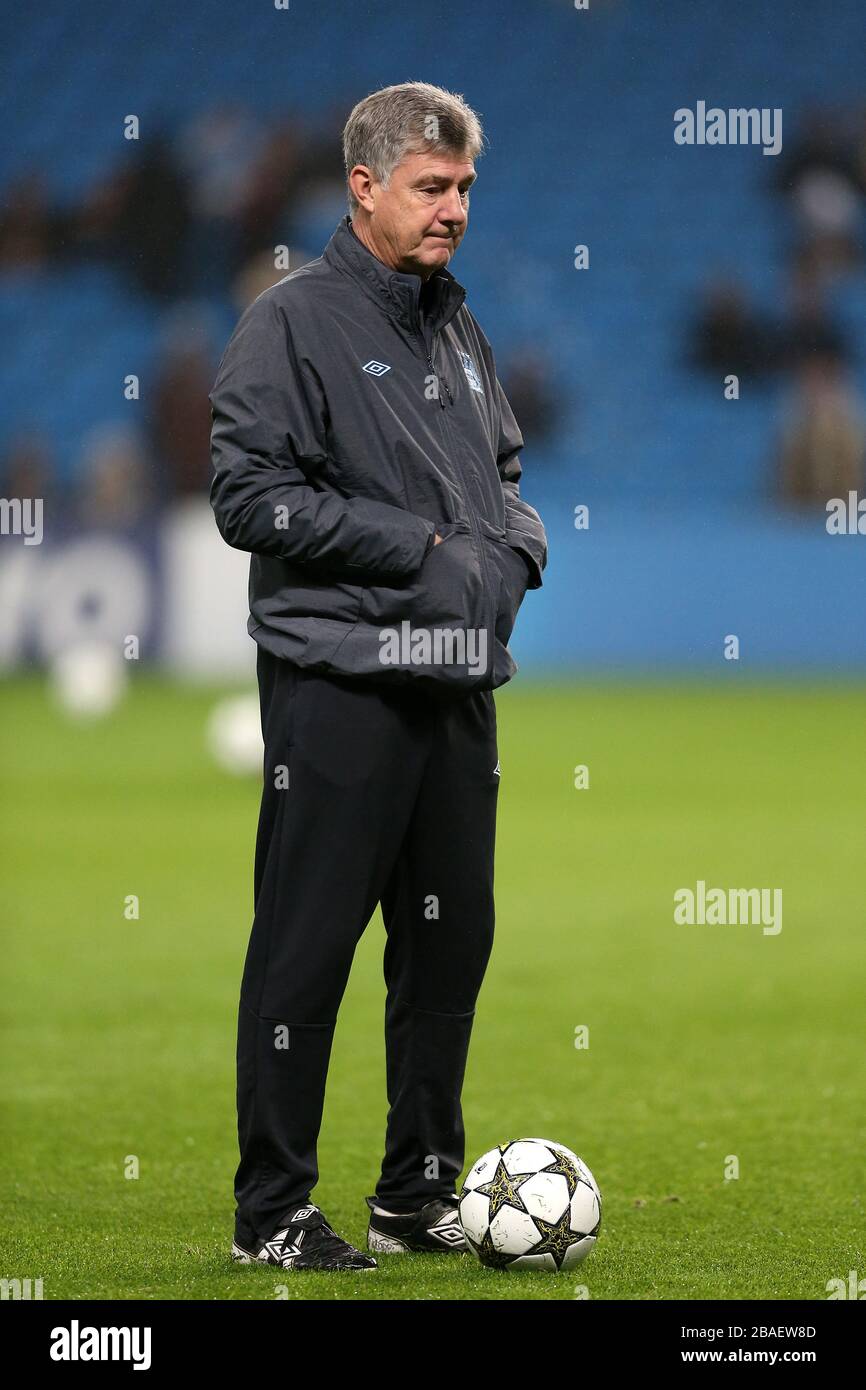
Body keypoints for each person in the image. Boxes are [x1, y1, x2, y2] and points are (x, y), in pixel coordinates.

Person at [209, 81, 548, 1272]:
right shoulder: (289, 320)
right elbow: (249, 499)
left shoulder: (453, 321)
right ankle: (272, 1213)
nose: (453, 208)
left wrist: (517, 551)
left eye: (462, 188)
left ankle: (415, 1189)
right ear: (363, 186)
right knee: (307, 948)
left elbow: (501, 474)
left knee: (450, 947)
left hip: (455, 677)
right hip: (341, 678)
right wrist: (417, 546)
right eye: (429, 187)